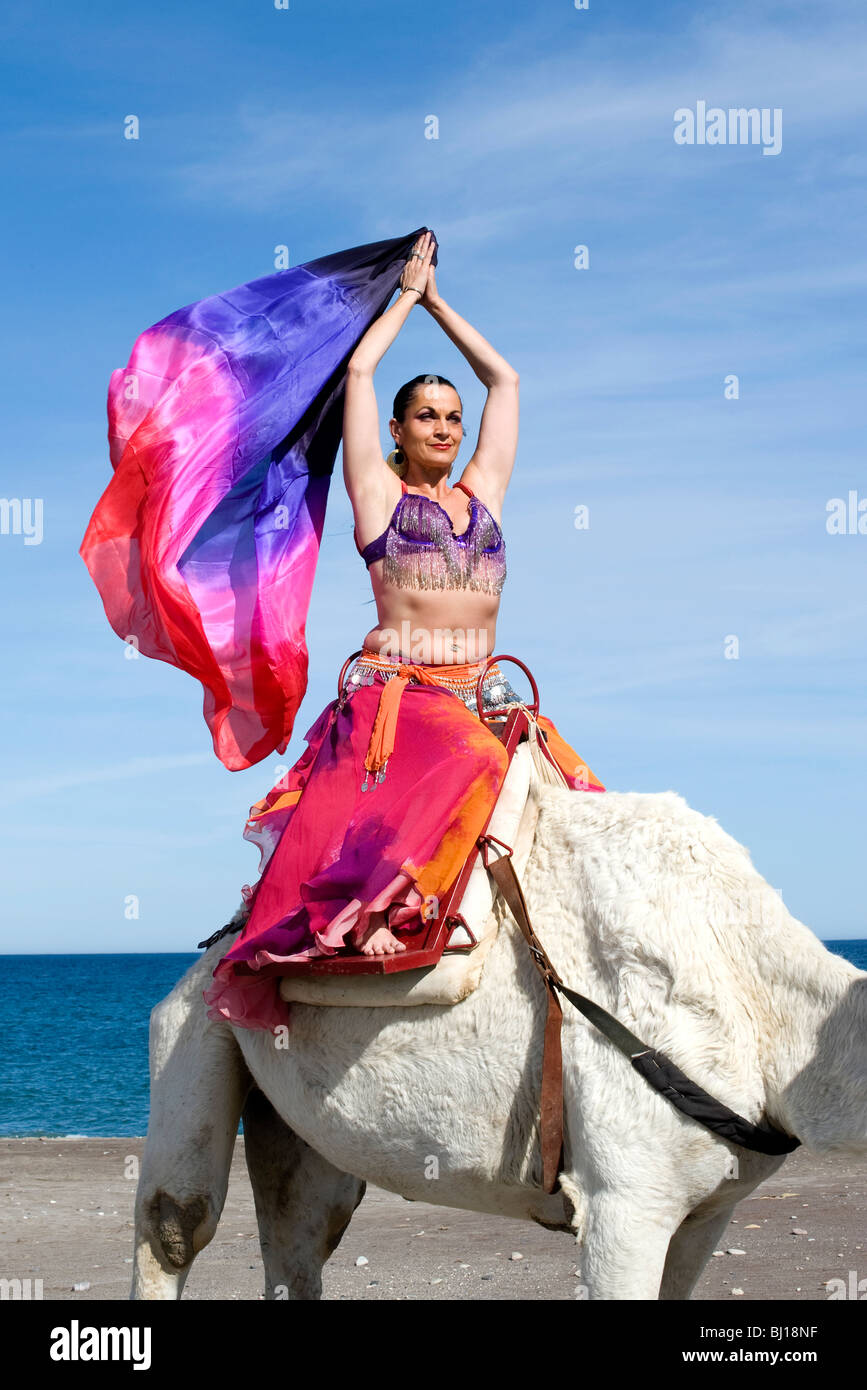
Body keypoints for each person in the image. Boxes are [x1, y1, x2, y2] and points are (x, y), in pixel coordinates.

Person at [204, 232, 603, 1031]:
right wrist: (403, 300)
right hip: (406, 696)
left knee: (586, 811)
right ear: (396, 429)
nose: (447, 428)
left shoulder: (483, 493)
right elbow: (357, 371)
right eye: (427, 415)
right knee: (472, 759)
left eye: (453, 417)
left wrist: (442, 304)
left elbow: (507, 378)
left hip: (485, 689)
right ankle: (386, 929)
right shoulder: (378, 496)